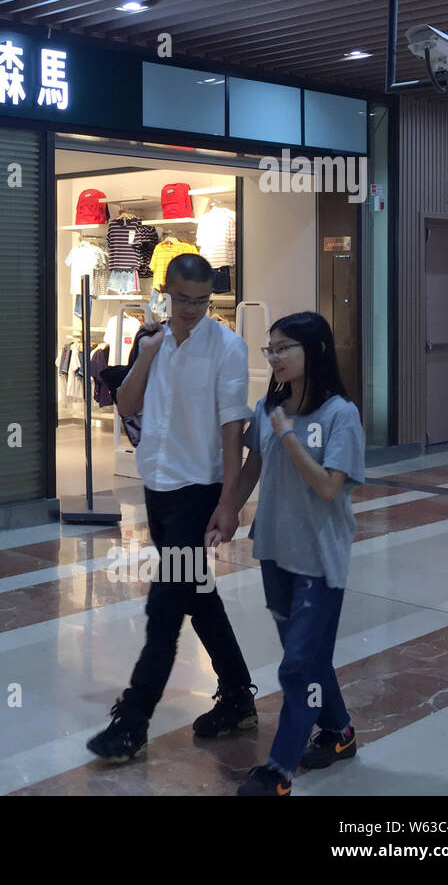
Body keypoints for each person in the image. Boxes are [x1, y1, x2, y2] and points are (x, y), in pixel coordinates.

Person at [87, 253, 257, 761]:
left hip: (197, 491)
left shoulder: (227, 347)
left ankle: (133, 721)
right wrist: (145, 355)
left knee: (165, 606)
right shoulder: (151, 339)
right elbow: (128, 405)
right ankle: (237, 696)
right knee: (198, 594)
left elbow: (232, 430)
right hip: (158, 487)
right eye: (182, 300)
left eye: (201, 302)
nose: (191, 310)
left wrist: (229, 502)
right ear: (166, 291)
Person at [233, 311, 365, 796]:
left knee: (296, 666)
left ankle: (279, 769)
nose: (275, 357)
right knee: (305, 657)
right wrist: (226, 511)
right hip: (274, 550)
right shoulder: (270, 406)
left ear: (317, 351)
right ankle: (339, 732)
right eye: (270, 348)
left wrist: (287, 432)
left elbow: (330, 487)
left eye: (285, 347)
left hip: (319, 560)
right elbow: (252, 467)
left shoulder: (339, 415)